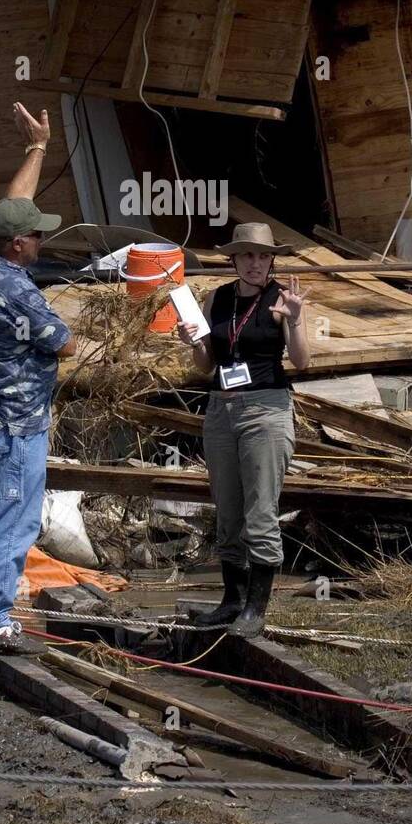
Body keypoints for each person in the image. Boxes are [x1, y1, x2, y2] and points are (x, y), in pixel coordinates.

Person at [0, 103, 76, 647]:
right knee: (12, 521)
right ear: (18, 245)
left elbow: (15, 204)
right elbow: (65, 342)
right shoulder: (15, 290)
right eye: (37, 237)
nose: (42, 241)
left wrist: (38, 148)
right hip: (14, 423)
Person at [177, 223, 310, 637]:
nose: (255, 263)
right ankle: (231, 600)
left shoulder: (281, 300)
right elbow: (207, 365)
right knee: (228, 509)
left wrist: (297, 320)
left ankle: (256, 608)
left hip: (265, 409)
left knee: (260, 510)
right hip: (221, 407)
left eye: (263, 256)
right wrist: (193, 343)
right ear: (233, 260)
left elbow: (303, 362)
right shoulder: (217, 298)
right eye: (247, 255)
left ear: (272, 260)